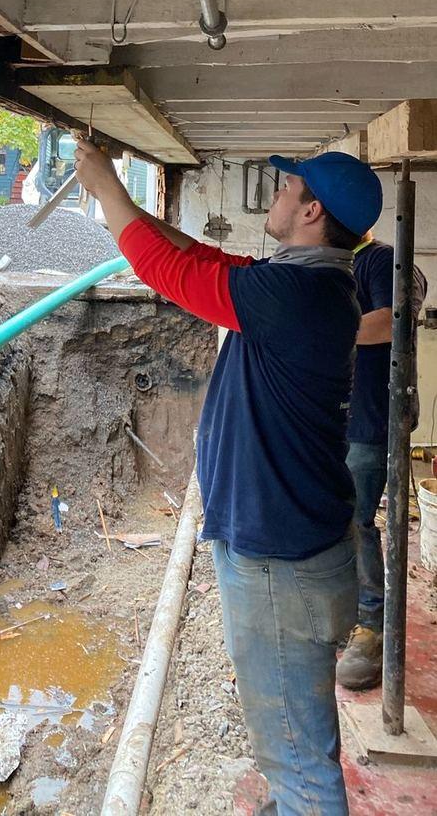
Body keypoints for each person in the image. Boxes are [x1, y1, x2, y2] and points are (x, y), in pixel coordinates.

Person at [73, 144, 383, 816]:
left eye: (287, 187)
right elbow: (201, 257)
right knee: (292, 731)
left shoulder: (292, 295)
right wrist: (132, 211)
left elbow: (166, 271)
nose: (275, 194)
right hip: (294, 550)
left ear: (312, 211)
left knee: (300, 759)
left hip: (280, 563)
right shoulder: (309, 283)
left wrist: (106, 188)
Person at [336, 239, 427, 690]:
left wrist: (318, 326)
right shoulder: (331, 267)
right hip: (335, 418)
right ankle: (344, 612)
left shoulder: (382, 260)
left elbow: (394, 320)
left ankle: (372, 624)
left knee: (357, 520)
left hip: (371, 420)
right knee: (335, 517)